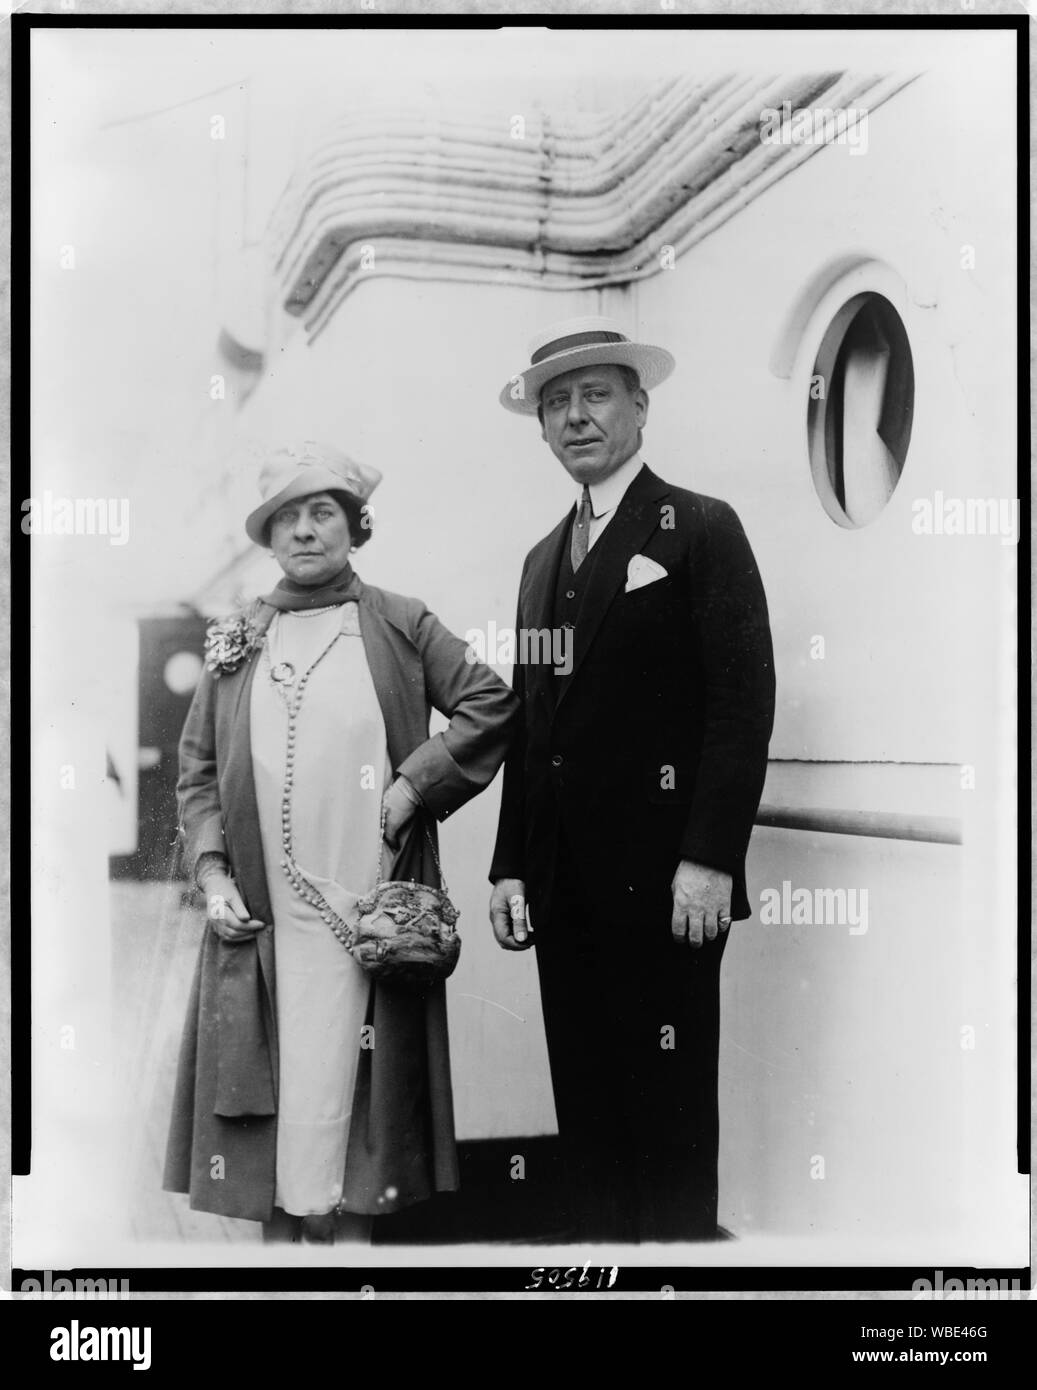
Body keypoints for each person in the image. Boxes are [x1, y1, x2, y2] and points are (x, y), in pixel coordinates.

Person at [164, 441, 519, 1243]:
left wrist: (412, 785)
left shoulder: (399, 621)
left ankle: (354, 1266)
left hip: (367, 913)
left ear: (354, 527)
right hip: (264, 919)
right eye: (285, 516)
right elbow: (198, 771)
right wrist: (214, 874)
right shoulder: (239, 637)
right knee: (273, 1094)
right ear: (267, 537)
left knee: (359, 1098)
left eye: (321, 511)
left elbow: (489, 705)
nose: (304, 530)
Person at [488, 317, 775, 1242]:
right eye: (556, 404)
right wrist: (509, 866)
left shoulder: (698, 527)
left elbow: (742, 702)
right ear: (540, 428)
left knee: (671, 1110)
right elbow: (536, 726)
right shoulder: (538, 562)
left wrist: (708, 859)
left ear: (640, 406)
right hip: (563, 884)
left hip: (667, 887)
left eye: (595, 394)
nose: (575, 417)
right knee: (589, 1111)